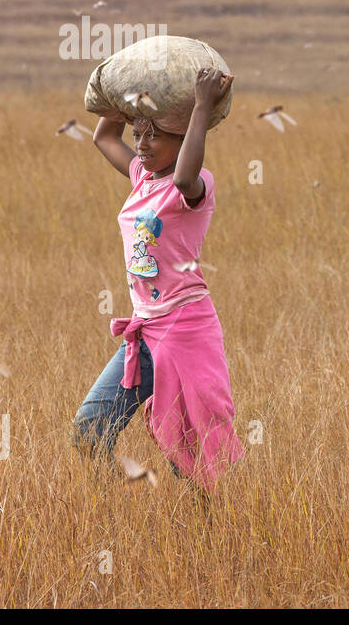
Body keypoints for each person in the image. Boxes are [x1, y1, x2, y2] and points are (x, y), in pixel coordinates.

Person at [72, 67, 245, 489]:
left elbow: (185, 175)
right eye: (139, 133)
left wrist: (201, 105)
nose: (142, 145)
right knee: (89, 431)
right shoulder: (142, 178)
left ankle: (202, 539)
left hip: (186, 331)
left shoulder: (195, 186)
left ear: (183, 137)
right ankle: (114, 512)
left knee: (189, 455)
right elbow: (103, 137)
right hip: (145, 332)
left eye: (154, 135)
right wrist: (124, 87)